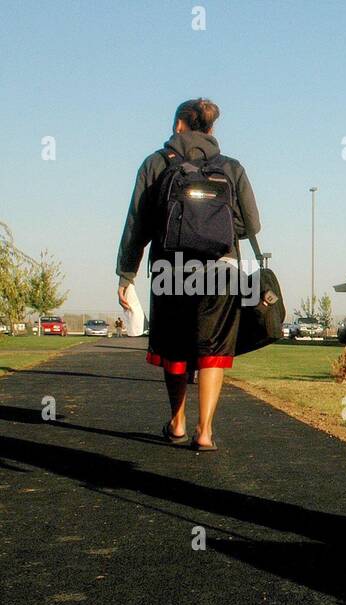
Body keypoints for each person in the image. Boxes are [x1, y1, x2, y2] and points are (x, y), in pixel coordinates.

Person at [115, 98, 261, 451]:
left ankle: (177, 422)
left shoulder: (155, 163)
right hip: (221, 271)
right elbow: (251, 224)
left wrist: (126, 273)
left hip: (171, 268)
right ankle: (205, 431)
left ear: (179, 125)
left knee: (174, 348)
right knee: (212, 350)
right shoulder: (231, 167)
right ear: (211, 129)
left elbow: (138, 223)